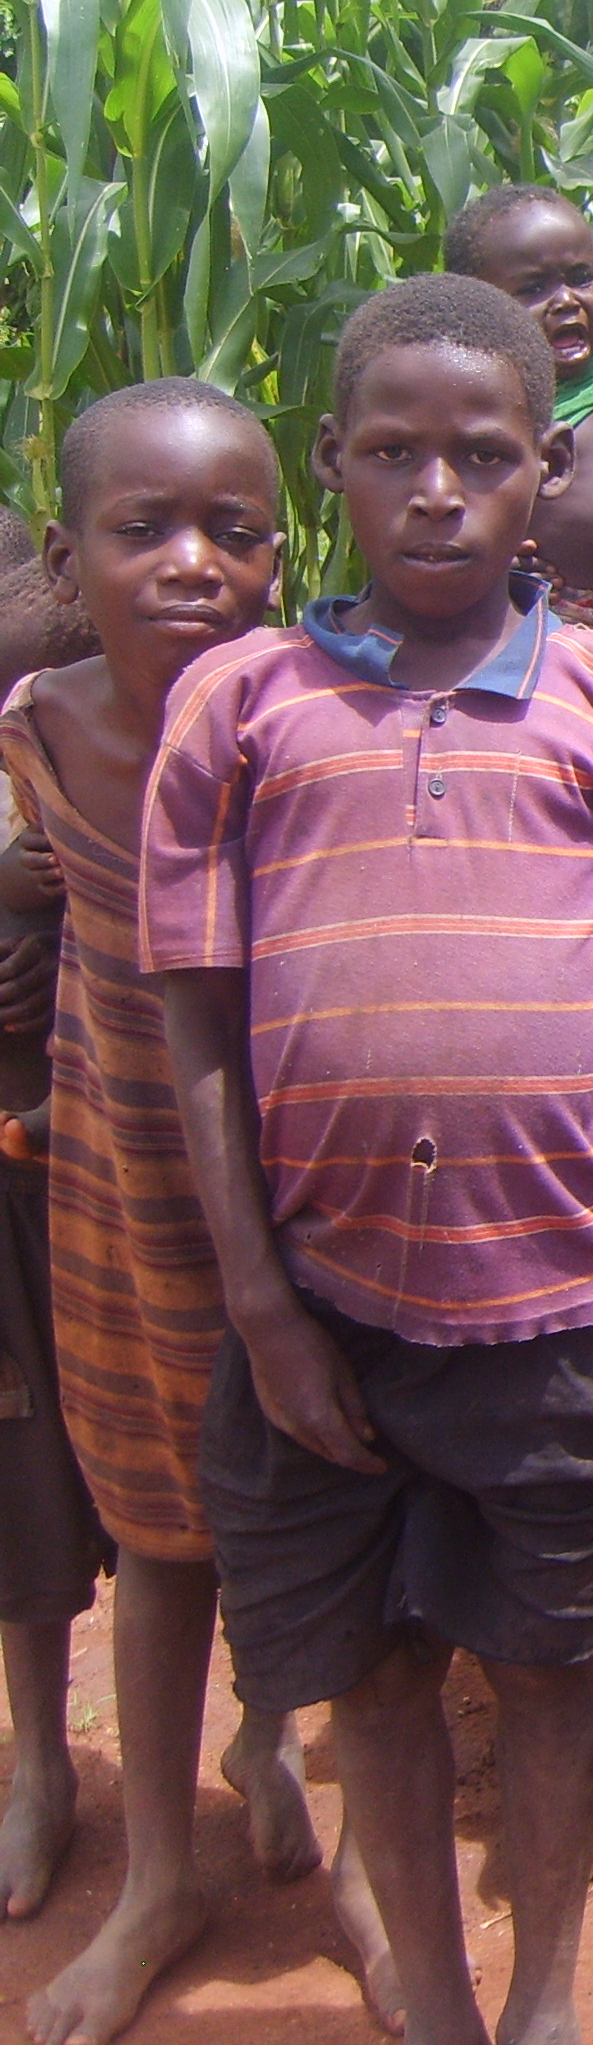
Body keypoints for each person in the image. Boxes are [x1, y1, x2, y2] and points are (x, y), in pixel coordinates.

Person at [146, 274, 593, 2045]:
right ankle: (431, 1990)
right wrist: (259, 1299)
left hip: (546, 1300)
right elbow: (192, 1019)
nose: (434, 490)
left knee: (550, 1664)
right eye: (390, 452)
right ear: (330, 462)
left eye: (481, 455)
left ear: (544, 470)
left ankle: (546, 1984)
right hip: (318, 1298)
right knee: (372, 1672)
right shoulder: (240, 703)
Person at [0, 381, 387, 2044]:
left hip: (306, 1156)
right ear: (68, 555)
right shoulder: (38, 725)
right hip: (124, 1167)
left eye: (233, 532)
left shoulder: (322, 706)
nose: (190, 562)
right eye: (141, 528)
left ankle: (364, 1858)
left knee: (350, 1505)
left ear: (282, 555)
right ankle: (162, 1867)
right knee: (159, 1530)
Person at [0, 508, 97, 1932]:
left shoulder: (114, 745)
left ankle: (263, 1745)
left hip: (132, 1169)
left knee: (196, 1491)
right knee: (22, 1494)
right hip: (11, 1173)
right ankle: (39, 1763)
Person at [448, 183, 593, 628]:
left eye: (581, 278)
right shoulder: (469, 411)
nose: (566, 301)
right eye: (534, 288)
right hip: (510, 621)